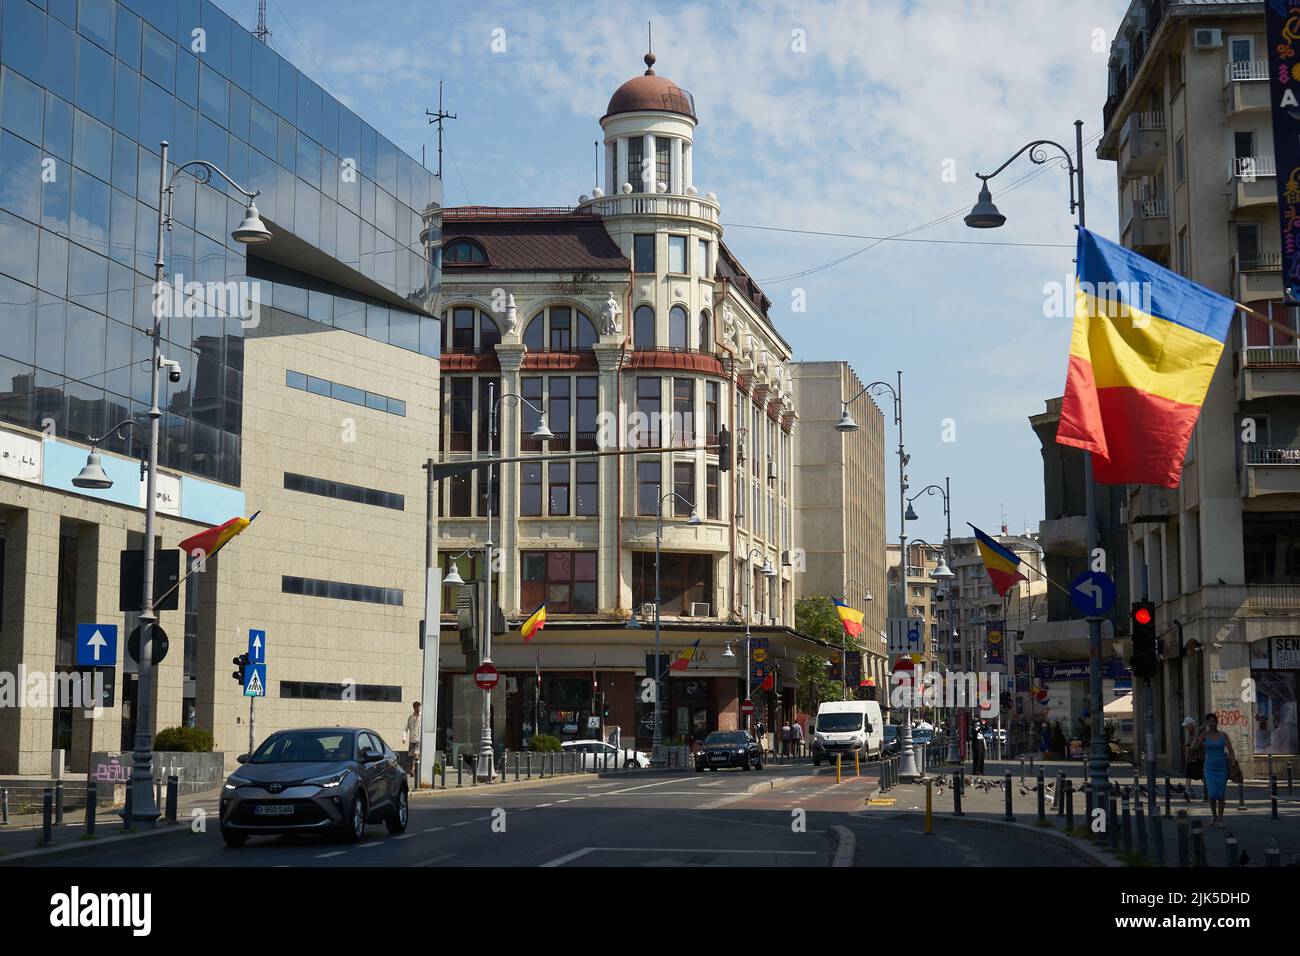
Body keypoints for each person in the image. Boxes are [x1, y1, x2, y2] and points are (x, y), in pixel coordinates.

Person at [1189, 712, 1236, 826]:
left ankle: (1220, 819)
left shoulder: (1223, 735)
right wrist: (1198, 732)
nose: (1211, 723)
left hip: (1222, 767)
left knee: (1220, 794)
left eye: (1213, 721)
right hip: (1209, 768)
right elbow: (1193, 747)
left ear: (1217, 722)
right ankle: (1214, 816)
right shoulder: (1204, 735)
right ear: (1207, 723)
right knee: (1211, 794)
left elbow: (1230, 750)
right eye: (1209, 721)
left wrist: (1233, 762)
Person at [404, 701, 422, 786]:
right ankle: (414, 769)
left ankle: (413, 769)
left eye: (419, 707)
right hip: (412, 740)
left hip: (419, 739)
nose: (419, 709)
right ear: (414, 708)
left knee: (416, 754)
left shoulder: (422, 717)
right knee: (413, 756)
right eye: (417, 707)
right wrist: (404, 738)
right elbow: (406, 728)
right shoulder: (410, 718)